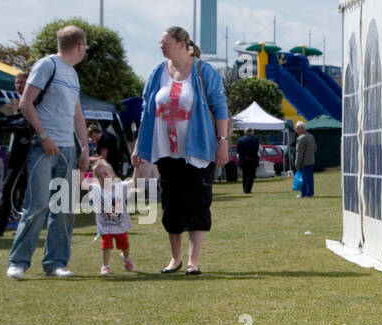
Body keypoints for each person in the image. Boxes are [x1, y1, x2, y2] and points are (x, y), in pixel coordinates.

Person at [130, 26, 229, 275]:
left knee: (197, 201)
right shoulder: (157, 73)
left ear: (182, 44)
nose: (161, 46)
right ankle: (175, 258)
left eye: (166, 42)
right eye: (161, 43)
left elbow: (220, 108)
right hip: (166, 150)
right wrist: (139, 146)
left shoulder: (203, 71)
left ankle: (194, 261)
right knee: (171, 203)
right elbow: (146, 111)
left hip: (198, 149)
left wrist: (222, 141)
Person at [6, 25, 88, 279]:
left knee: (63, 207)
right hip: (43, 147)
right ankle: (18, 261)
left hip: (67, 148)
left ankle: (55, 262)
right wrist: (43, 136)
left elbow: (77, 114)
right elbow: (25, 102)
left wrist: (84, 146)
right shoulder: (46, 65)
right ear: (80, 46)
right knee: (38, 204)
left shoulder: (72, 75)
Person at [0, 73, 33, 237]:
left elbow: (26, 123)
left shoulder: (32, 101)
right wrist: (5, 123)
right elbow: (20, 120)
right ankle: (13, 226)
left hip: (25, 155)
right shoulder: (23, 102)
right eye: (17, 82)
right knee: (17, 192)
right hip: (20, 155)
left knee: (12, 190)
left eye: (22, 82)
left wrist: (6, 125)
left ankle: (1, 226)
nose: (18, 85)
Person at [90, 159, 134, 275]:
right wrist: (82, 167)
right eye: (99, 176)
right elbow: (81, 182)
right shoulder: (96, 189)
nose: (103, 177)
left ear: (112, 174)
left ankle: (126, 258)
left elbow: (134, 181)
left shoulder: (120, 186)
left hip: (120, 225)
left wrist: (137, 167)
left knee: (124, 245)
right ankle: (105, 266)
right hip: (105, 226)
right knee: (106, 246)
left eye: (105, 174)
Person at [293, 121, 316, 198]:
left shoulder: (301, 138)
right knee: (310, 179)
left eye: (297, 128)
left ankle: (304, 193)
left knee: (303, 179)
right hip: (311, 160)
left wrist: (297, 164)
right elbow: (315, 148)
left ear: (302, 128)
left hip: (303, 162)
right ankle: (310, 193)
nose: (296, 130)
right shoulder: (311, 136)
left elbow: (299, 153)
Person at [236, 127, 260, 193]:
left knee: (245, 175)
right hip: (252, 159)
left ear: (245, 132)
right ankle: (248, 189)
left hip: (243, 159)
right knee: (251, 175)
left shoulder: (240, 139)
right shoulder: (255, 139)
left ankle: (244, 189)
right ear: (251, 132)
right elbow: (257, 149)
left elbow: (238, 150)